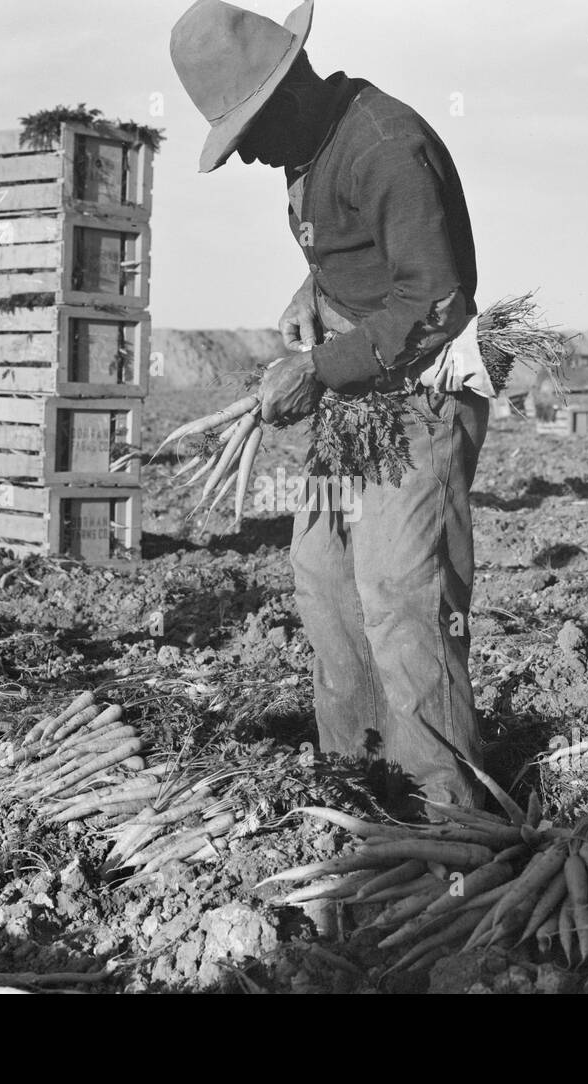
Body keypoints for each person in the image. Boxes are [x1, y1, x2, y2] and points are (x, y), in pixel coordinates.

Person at [170, 0, 490, 809]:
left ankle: (445, 812)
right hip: (359, 392)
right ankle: (355, 776)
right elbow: (360, 254)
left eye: (248, 136)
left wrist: (317, 368)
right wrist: (312, 293)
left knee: (401, 595)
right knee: (320, 576)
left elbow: (439, 298)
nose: (247, 160)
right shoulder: (307, 143)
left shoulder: (387, 146)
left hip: (421, 395)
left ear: (287, 91)